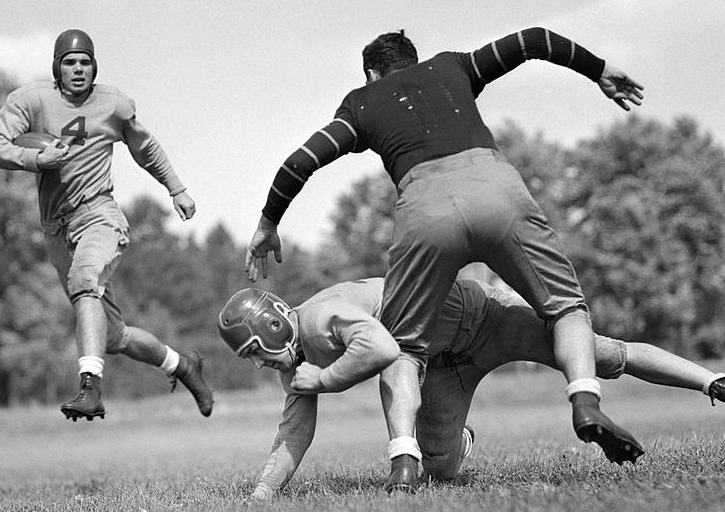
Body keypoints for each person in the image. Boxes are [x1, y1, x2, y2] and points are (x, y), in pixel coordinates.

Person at [244, 27, 645, 490]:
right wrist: (600, 70)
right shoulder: (456, 67)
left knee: (405, 345)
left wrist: (268, 223)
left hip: (426, 213)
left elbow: (299, 162)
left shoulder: (362, 102)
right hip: (496, 191)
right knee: (565, 308)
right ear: (412, 61)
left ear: (372, 73)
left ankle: (403, 461)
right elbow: (534, 41)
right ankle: (584, 397)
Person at [217, 277, 725, 499]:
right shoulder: (293, 367)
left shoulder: (323, 316)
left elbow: (380, 349)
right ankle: (442, 448)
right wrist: (262, 494)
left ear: (277, 326)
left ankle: (712, 380)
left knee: (607, 354)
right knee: (442, 469)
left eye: (256, 351)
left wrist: (325, 379)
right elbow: (293, 434)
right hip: (441, 363)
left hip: (486, 316)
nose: (260, 365)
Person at [0, 29, 213, 421]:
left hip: (99, 214)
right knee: (114, 336)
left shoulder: (112, 104)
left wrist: (176, 189)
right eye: (70, 62)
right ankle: (182, 365)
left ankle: (90, 387)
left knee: (85, 283)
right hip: (56, 227)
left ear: (95, 67)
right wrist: (35, 159)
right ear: (57, 67)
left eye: (85, 62)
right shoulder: (31, 100)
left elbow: (145, 147)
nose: (78, 69)